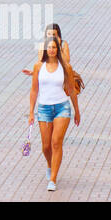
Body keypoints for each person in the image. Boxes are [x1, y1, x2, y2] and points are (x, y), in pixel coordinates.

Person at [28, 35, 81, 192]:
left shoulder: (65, 67)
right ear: (45, 50)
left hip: (62, 108)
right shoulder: (38, 66)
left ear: (58, 50)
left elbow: (71, 89)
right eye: (49, 47)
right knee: (46, 146)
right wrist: (31, 112)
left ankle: (53, 179)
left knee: (56, 142)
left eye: (54, 48)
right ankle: (50, 165)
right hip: (44, 108)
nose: (51, 50)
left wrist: (77, 111)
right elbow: (34, 90)